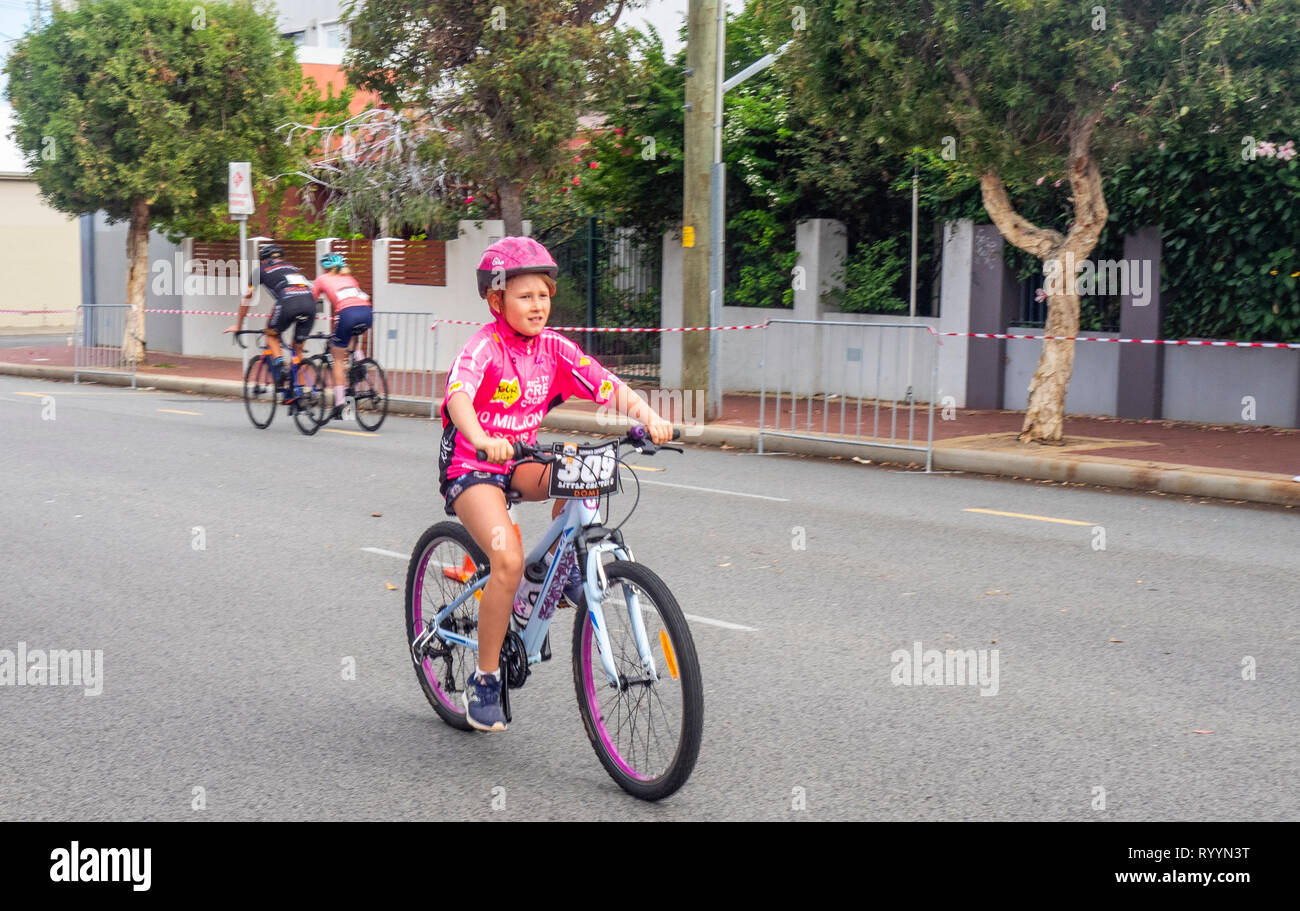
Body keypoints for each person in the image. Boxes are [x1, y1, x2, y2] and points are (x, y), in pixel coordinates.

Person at [440, 236, 673, 732]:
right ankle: (483, 679)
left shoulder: (553, 349)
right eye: (526, 297)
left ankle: (553, 567)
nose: (538, 306)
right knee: (505, 558)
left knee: (584, 474)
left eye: (544, 295)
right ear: (497, 300)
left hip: (521, 459)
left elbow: (604, 382)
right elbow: (458, 395)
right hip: (474, 464)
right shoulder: (484, 345)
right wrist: (482, 437)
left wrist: (650, 417)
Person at [224, 243, 317, 404]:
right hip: (309, 303)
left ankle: (281, 366)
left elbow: (247, 298)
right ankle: (299, 393)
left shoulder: (260, 271)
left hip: (288, 302)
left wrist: (238, 324)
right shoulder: (293, 268)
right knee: (298, 350)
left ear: (263, 260)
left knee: (271, 335)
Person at [312, 252, 374, 421]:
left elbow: (312, 303)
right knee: (352, 344)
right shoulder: (350, 279)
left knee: (337, 358)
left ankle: (340, 405)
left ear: (324, 267)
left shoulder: (322, 279)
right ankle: (360, 365)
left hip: (347, 314)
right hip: (367, 313)